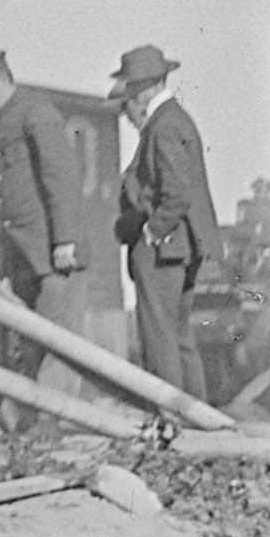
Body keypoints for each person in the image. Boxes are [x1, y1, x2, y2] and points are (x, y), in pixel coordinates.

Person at [0, 49, 88, 419]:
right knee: (31, 342)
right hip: (27, 252)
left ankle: (49, 423)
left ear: (1, 81)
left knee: (59, 344)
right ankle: (28, 427)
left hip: (54, 251)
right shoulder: (4, 119)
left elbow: (61, 181)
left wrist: (65, 240)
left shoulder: (36, 114)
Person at [110, 43, 221, 400]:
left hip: (164, 249)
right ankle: (195, 421)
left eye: (129, 90)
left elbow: (176, 194)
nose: (126, 101)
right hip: (182, 248)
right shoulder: (175, 120)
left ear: (145, 89)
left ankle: (170, 418)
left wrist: (150, 231)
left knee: (159, 336)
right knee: (178, 336)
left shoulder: (163, 126)